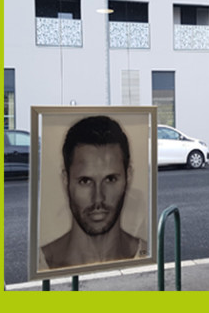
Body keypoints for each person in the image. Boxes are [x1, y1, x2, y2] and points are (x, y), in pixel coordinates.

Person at [40, 116, 147, 270]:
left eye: (110, 179)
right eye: (85, 181)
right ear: (66, 180)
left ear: (128, 176)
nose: (98, 198)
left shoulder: (146, 253)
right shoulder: (42, 262)